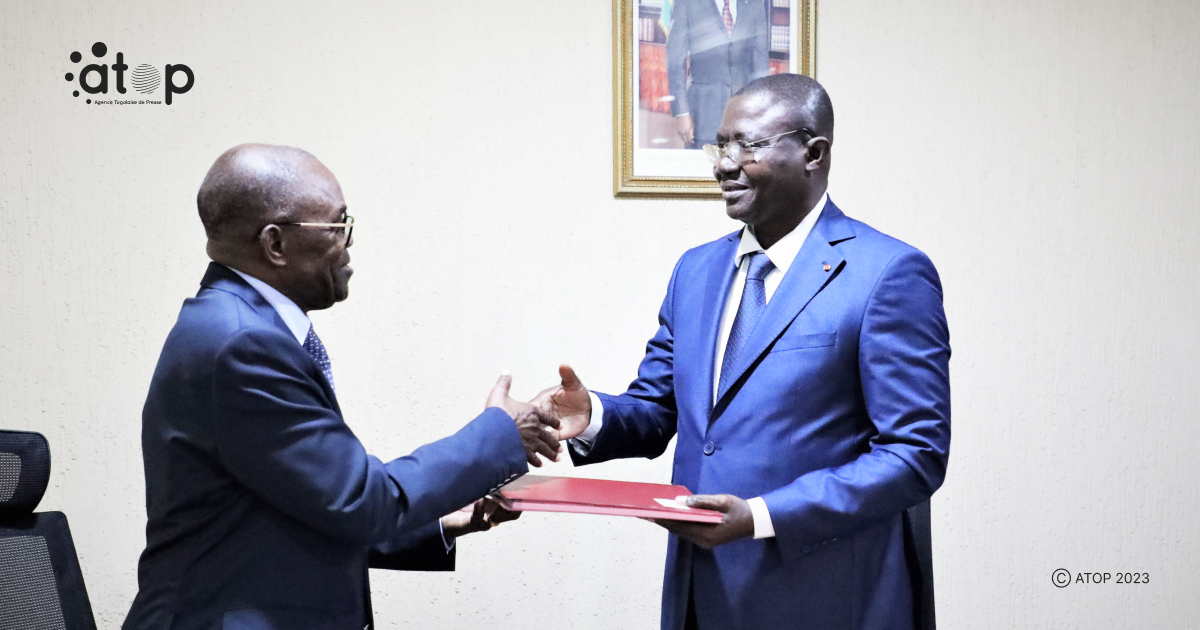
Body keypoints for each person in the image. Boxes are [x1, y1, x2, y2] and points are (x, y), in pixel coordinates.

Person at [537, 74, 951, 630]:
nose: (724, 164)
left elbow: (913, 454)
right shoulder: (696, 270)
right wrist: (594, 416)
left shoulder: (888, 273)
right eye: (720, 145)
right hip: (702, 595)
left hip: (829, 599)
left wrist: (761, 516)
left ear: (814, 153)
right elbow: (660, 412)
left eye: (748, 146)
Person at [123, 144, 561, 630]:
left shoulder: (241, 327)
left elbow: (308, 505)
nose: (348, 243)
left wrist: (441, 519)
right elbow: (359, 501)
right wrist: (500, 431)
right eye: (337, 225)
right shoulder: (244, 345)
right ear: (275, 244)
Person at [666, 0, 770, 148]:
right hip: (702, 115)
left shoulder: (755, 3)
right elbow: (675, 60)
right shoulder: (686, 3)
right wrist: (681, 113)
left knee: (743, 168)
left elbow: (760, 63)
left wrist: (763, 113)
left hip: (745, 116)